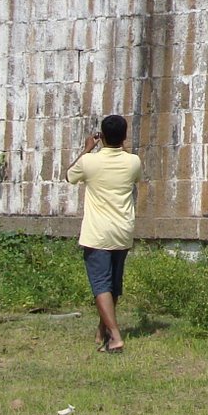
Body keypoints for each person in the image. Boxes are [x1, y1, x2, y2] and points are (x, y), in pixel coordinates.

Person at [65, 114, 142, 353]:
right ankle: (102, 332)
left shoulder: (90, 161)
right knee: (113, 285)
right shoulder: (133, 161)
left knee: (100, 284)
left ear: (103, 136)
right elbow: (134, 175)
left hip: (97, 232)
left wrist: (87, 148)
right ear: (124, 136)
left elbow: (69, 176)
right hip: (123, 230)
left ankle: (116, 337)